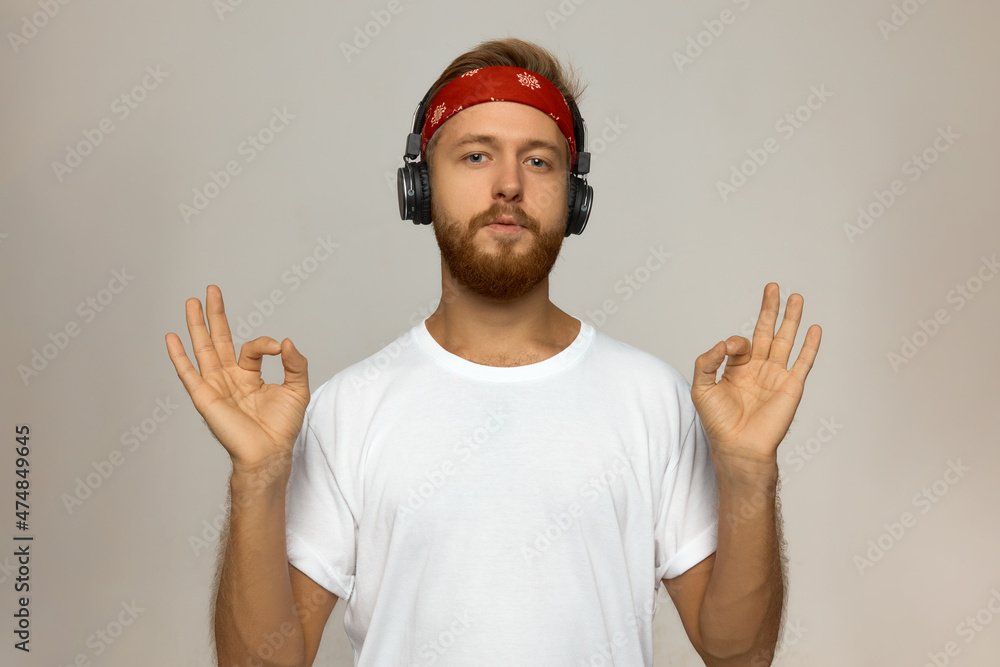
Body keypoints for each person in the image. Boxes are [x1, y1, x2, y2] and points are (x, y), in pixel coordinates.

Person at [165, 37, 822, 667]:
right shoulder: (350, 408)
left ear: (575, 198)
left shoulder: (651, 398)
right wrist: (256, 476)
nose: (508, 183)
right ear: (420, 187)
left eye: (538, 160)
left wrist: (748, 471)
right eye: (476, 155)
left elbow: (740, 654)